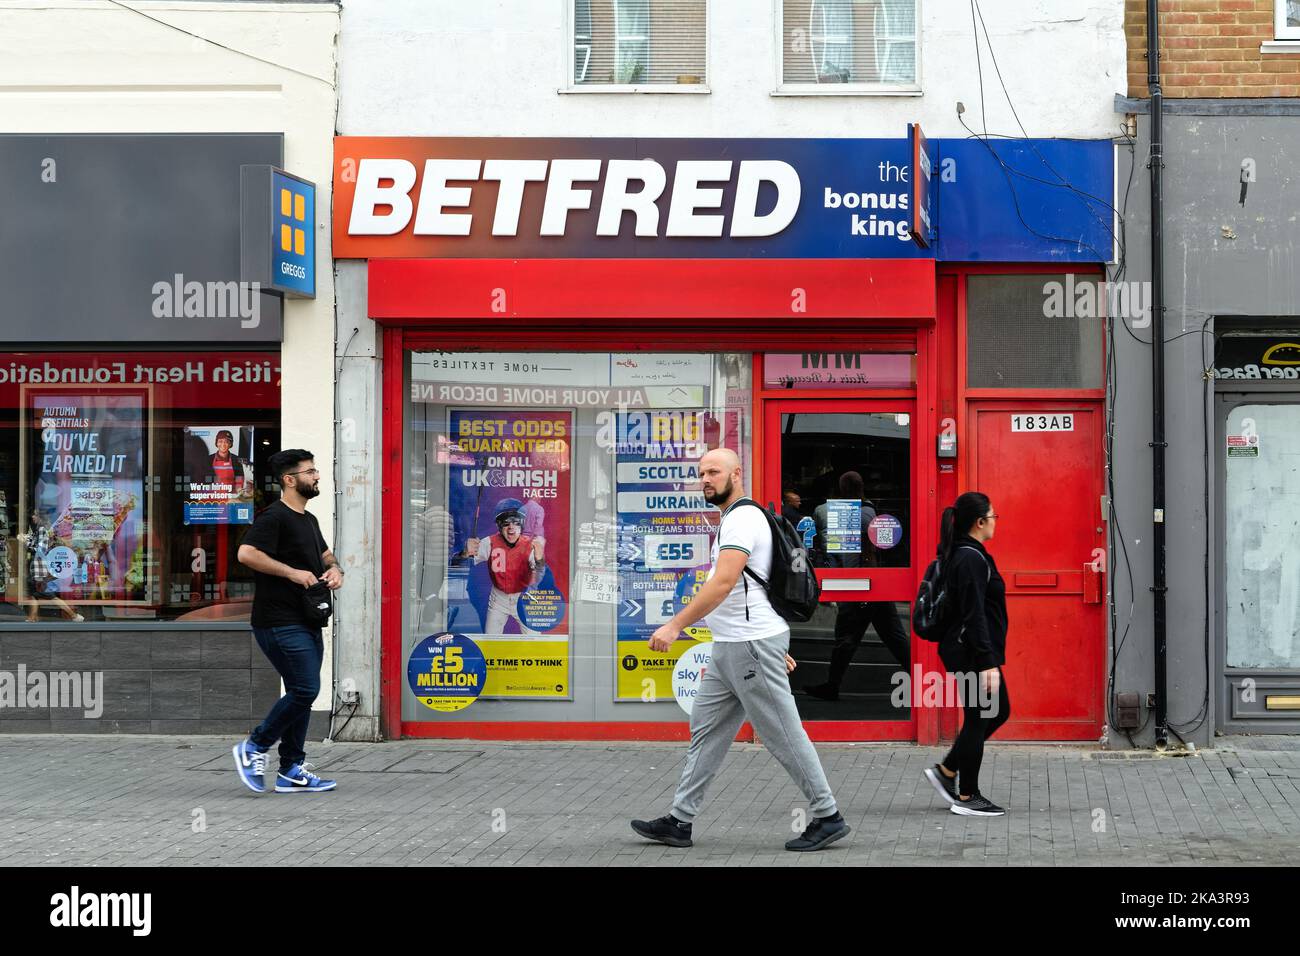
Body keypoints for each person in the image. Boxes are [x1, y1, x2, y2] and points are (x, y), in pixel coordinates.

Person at [631, 448, 850, 852]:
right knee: (707, 731)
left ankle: (827, 815)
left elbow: (724, 582)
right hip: (733, 648)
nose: (705, 479)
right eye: (701, 473)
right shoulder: (732, 519)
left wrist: (676, 624)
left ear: (736, 474)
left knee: (781, 732)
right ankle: (680, 821)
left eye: (714, 472)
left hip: (749, 646)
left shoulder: (743, 519)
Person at [232, 449, 343, 794]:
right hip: (278, 620)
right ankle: (254, 746)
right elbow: (246, 553)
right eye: (310, 471)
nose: (318, 476)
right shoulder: (274, 517)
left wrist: (335, 569)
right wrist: (293, 573)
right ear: (290, 480)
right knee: (306, 689)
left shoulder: (307, 519)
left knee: (302, 693)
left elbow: (324, 553)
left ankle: (291, 769)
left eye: (316, 469)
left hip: (306, 618)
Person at [922, 491, 1010, 817]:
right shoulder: (970, 558)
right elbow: (974, 614)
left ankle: (947, 772)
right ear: (980, 522)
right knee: (978, 717)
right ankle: (967, 796)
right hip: (969, 652)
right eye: (993, 516)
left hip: (967, 650)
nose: (995, 522)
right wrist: (987, 662)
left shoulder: (966, 553)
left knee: (998, 712)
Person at [803, 471, 909, 700]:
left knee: (845, 639)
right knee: (895, 637)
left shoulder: (840, 513)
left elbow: (842, 555)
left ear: (841, 490)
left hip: (857, 586)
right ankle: (923, 678)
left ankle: (832, 685)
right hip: (878, 586)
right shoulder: (871, 511)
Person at [462, 498, 546, 635]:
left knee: (534, 642)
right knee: (491, 642)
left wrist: (539, 559)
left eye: (516, 522)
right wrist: (465, 552)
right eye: (506, 523)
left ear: (522, 525)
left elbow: (540, 574)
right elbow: (461, 565)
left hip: (523, 598)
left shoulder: (530, 545)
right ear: (499, 526)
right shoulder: (489, 542)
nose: (511, 527)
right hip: (498, 600)